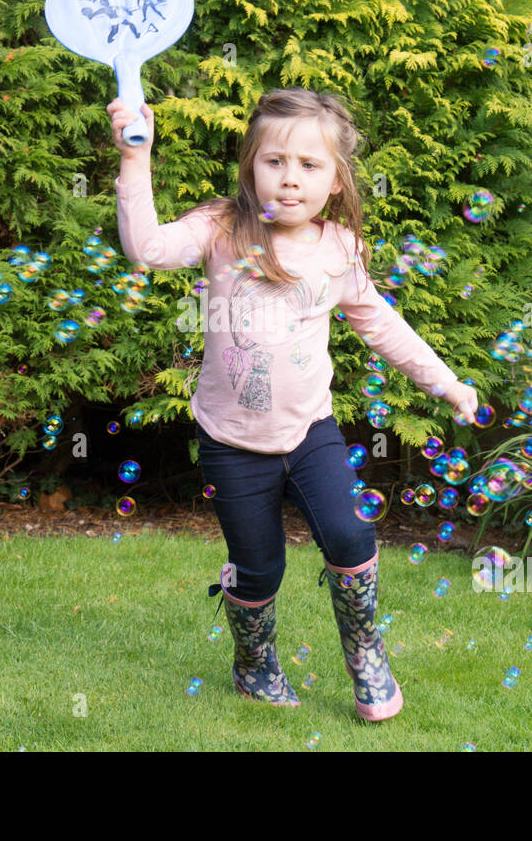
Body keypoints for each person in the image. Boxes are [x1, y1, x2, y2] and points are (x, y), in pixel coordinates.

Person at [109, 89, 478, 721]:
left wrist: (443, 381)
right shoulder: (222, 228)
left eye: (310, 165)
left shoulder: (339, 249)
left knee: (349, 531)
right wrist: (134, 159)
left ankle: (365, 652)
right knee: (258, 569)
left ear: (336, 180)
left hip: (310, 431)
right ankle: (254, 664)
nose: (290, 177)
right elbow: (148, 249)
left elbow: (381, 324)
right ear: (251, 167)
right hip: (231, 441)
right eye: (274, 161)